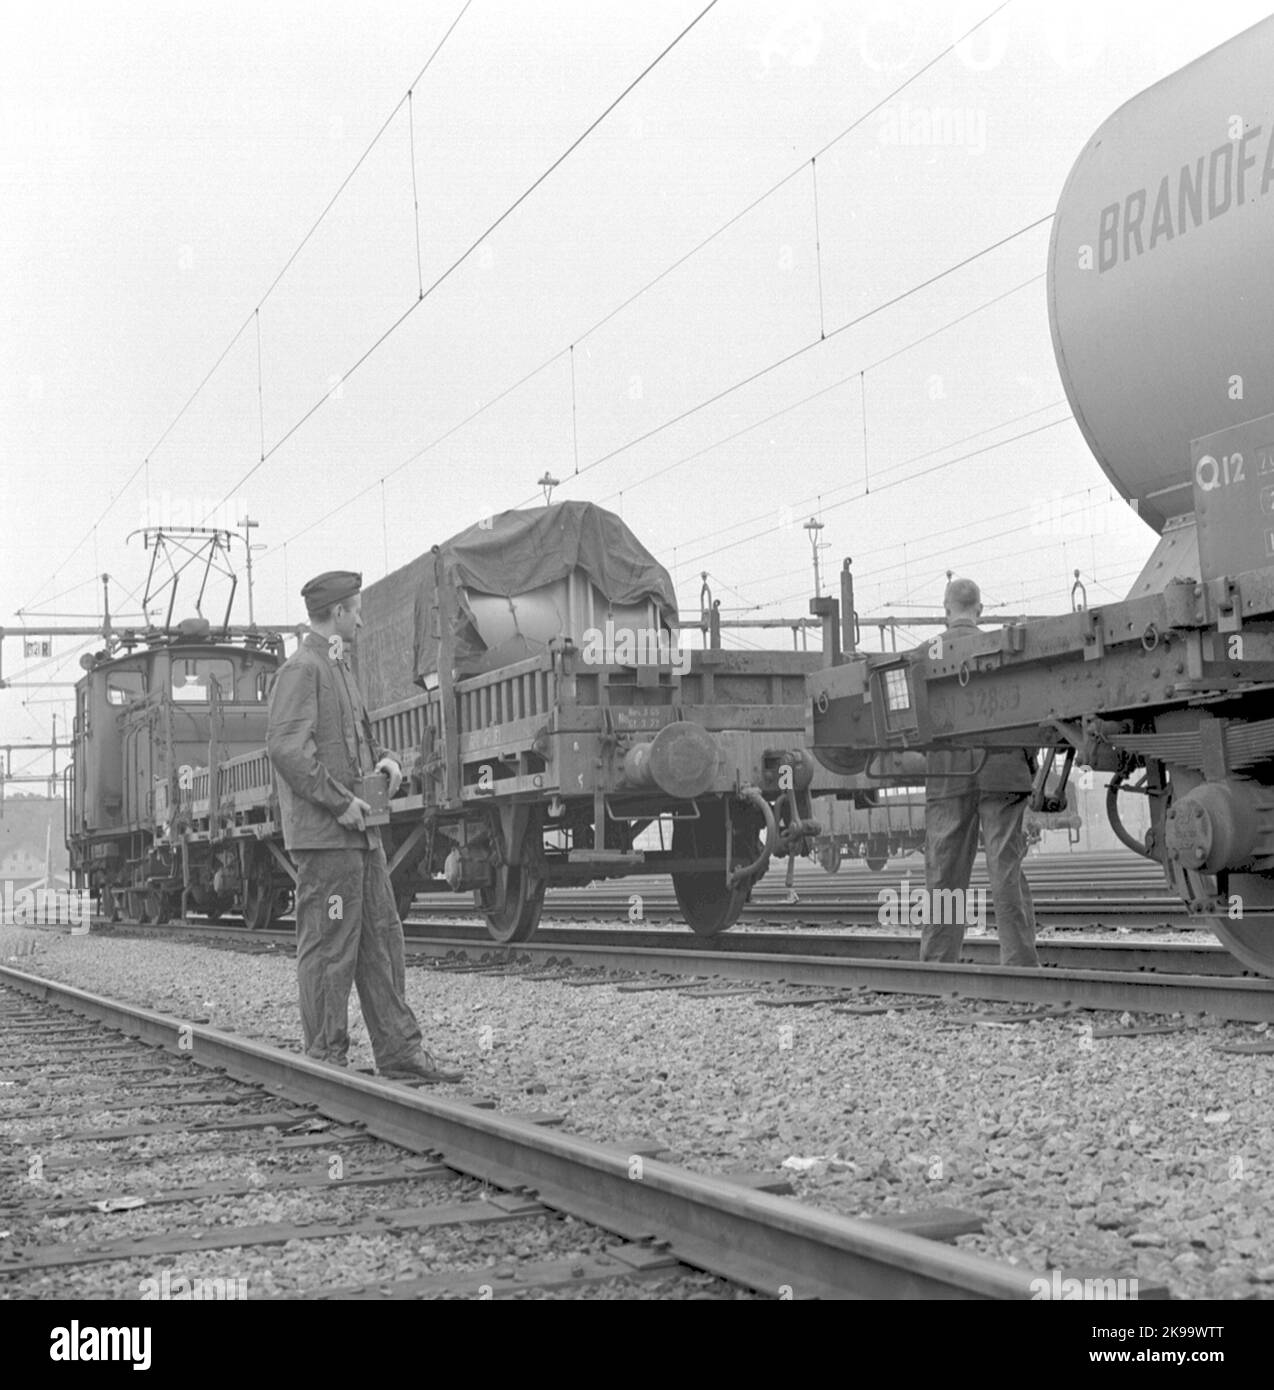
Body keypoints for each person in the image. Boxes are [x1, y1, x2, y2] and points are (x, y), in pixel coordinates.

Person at [267, 569, 463, 1082]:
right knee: (331, 948)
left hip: (360, 837)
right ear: (336, 614)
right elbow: (287, 749)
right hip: (329, 838)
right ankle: (326, 1062)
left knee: (382, 939)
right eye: (356, 609)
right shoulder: (302, 669)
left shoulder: (339, 669)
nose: (362, 618)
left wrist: (388, 763)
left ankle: (400, 1053)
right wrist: (338, 803)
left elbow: (355, 745)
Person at [920, 577, 1039, 968]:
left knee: (946, 874)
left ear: (946, 609)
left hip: (948, 773)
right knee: (1005, 867)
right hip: (1002, 769)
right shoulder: (1000, 646)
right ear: (980, 610)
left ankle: (939, 962)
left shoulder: (928, 652)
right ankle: (1019, 963)